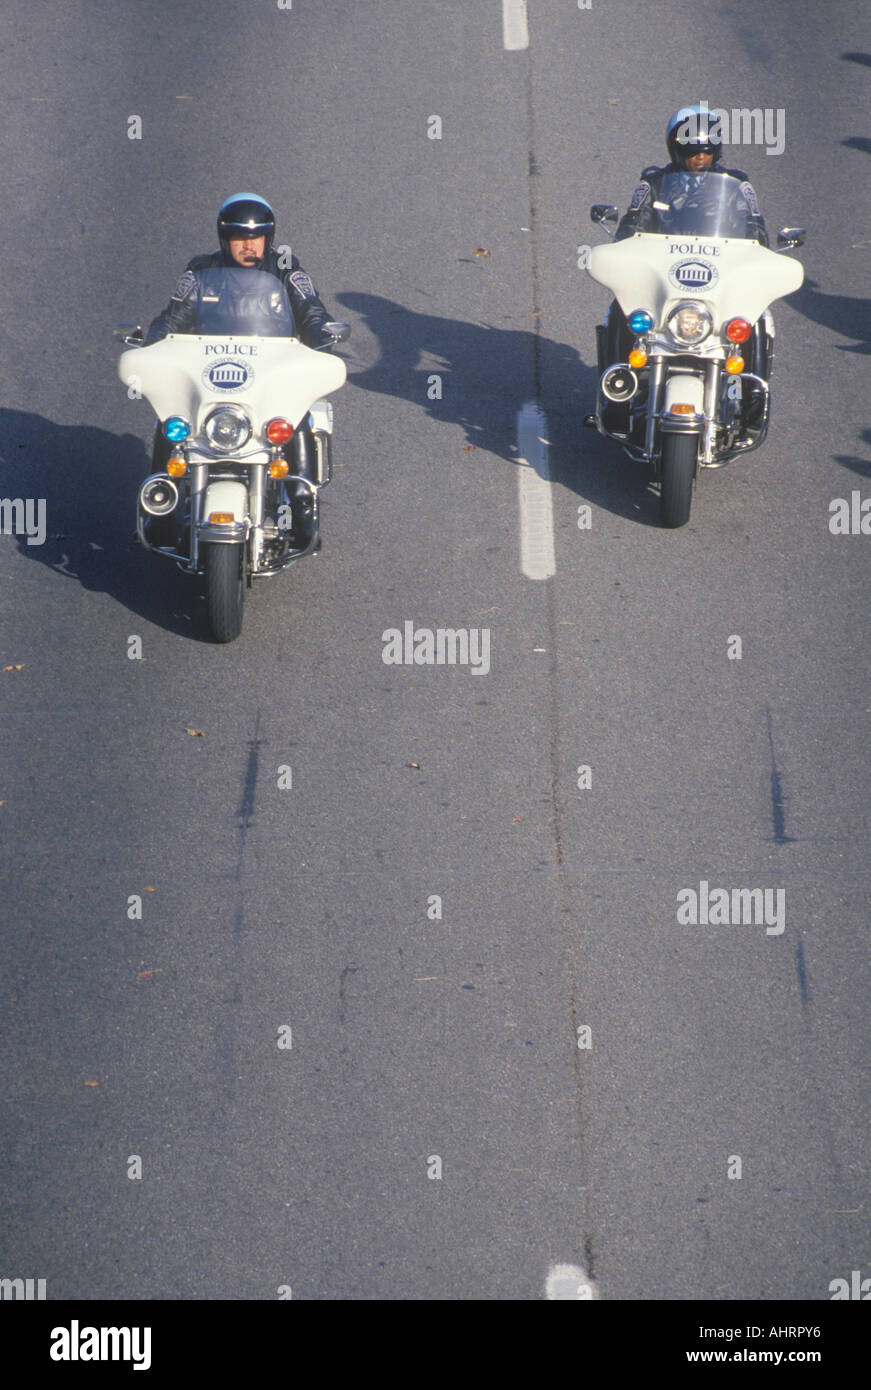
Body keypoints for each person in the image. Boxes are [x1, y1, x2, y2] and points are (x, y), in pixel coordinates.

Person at [144, 193, 338, 543]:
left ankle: (303, 501)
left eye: (256, 237)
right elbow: (174, 314)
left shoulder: (286, 269)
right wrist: (155, 340)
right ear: (225, 239)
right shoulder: (201, 271)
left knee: (300, 417)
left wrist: (322, 333)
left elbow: (310, 309)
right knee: (171, 417)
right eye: (239, 238)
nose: (249, 246)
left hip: (269, 368)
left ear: (269, 237)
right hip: (211, 369)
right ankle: (163, 499)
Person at [603, 105, 770, 382]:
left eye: (707, 151)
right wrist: (623, 249)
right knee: (621, 308)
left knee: (758, 314)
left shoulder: (739, 186)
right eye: (692, 152)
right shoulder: (653, 183)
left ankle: (752, 386)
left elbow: (756, 234)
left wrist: (754, 255)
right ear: (677, 152)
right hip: (664, 273)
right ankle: (620, 381)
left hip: (719, 272)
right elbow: (631, 226)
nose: (700, 159)